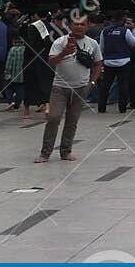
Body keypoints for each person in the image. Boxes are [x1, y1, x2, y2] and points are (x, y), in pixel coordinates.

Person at [39, 17, 100, 163]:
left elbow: (98, 64)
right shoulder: (60, 42)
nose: (79, 27)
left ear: (87, 26)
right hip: (60, 87)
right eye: (76, 24)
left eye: (82, 24)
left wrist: (91, 82)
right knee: (53, 118)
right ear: (70, 26)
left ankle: (66, 151)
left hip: (81, 88)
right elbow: (51, 62)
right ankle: (45, 153)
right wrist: (64, 52)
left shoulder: (93, 44)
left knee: (72, 121)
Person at [97, 16, 135, 114]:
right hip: (124, 61)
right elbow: (134, 43)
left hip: (108, 62)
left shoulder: (105, 31)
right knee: (123, 86)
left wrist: (102, 60)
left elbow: (101, 47)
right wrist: (134, 30)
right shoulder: (125, 31)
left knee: (105, 85)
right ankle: (122, 108)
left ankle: (101, 108)